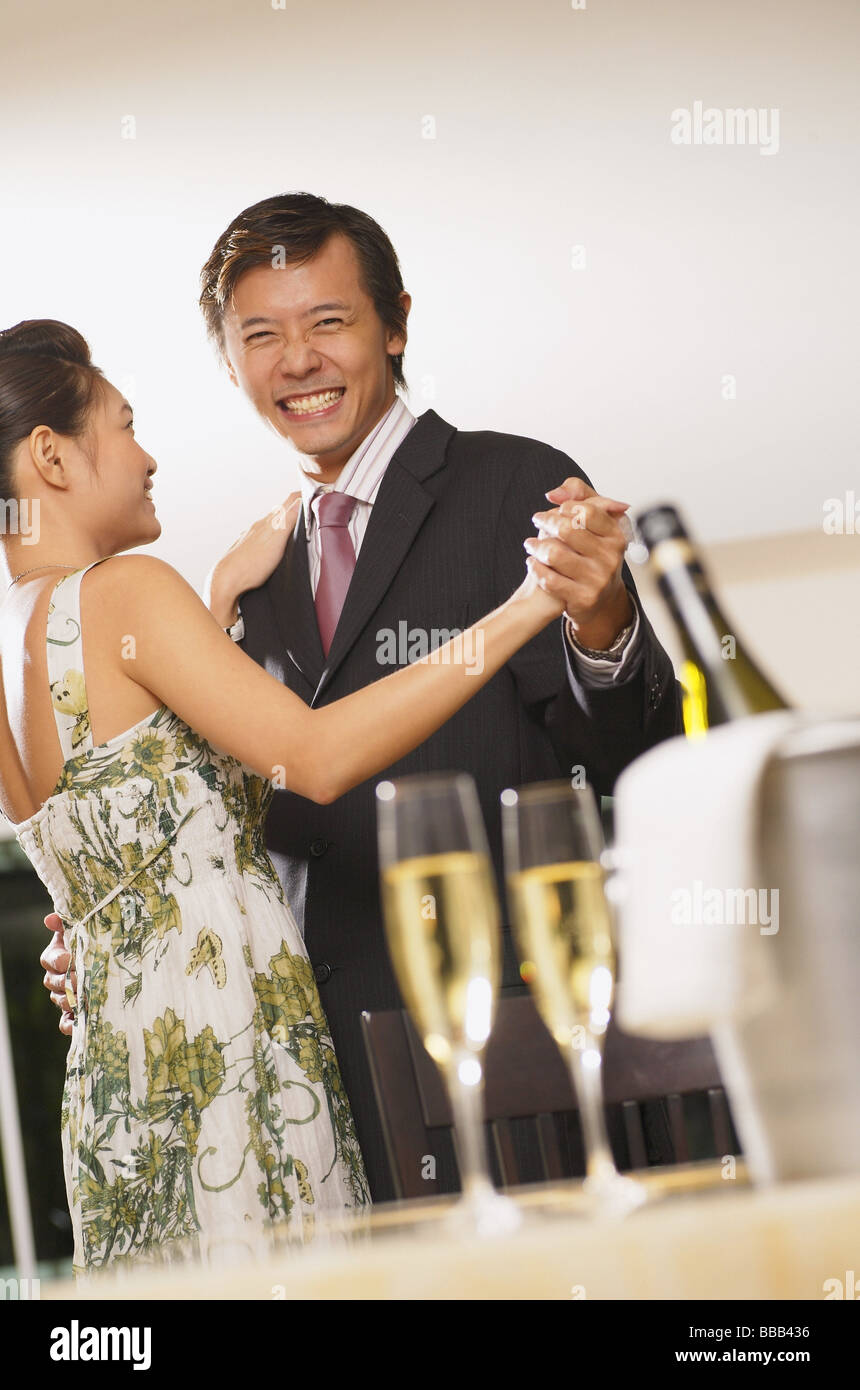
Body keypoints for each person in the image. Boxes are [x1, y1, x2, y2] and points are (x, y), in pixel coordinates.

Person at [42, 192, 685, 1205]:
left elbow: (637, 755)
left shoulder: (514, 484)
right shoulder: (244, 575)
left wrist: (595, 619)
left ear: (394, 324)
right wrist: (126, 927)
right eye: (262, 334)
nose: (295, 359)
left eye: (327, 322)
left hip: (513, 1059)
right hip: (317, 1088)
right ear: (231, 362)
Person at [0, 317, 569, 1271]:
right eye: (125, 424)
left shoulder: (18, 639)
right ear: (52, 456)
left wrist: (219, 595)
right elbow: (310, 757)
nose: (147, 457)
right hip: (230, 1062)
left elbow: (128, 826)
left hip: (125, 1075)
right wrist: (525, 607)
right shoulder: (127, 590)